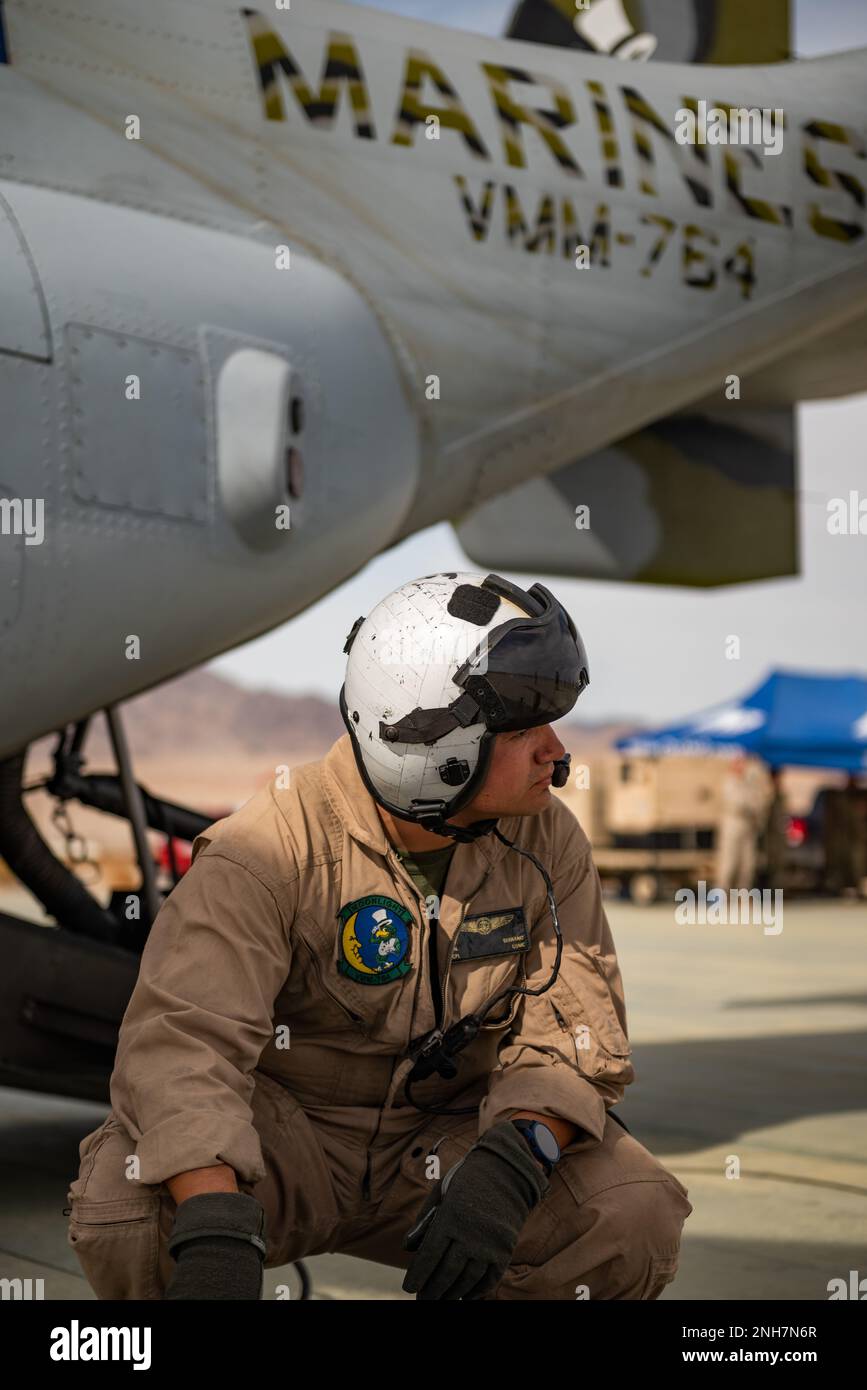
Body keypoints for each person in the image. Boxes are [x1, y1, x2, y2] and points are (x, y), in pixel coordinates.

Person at [66, 571, 692, 1302]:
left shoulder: (546, 841)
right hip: (286, 1148)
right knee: (127, 1209)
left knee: (630, 1214)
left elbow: (569, 1033)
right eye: (523, 732)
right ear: (433, 748)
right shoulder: (265, 849)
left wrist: (513, 1159)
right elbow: (184, 1044)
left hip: (449, 1145)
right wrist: (211, 1219)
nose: (555, 752)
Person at [715, 754, 768, 891]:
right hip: (733, 822)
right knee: (729, 861)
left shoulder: (748, 783)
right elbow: (739, 803)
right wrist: (752, 805)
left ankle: (743, 893)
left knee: (748, 863)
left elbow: (759, 802)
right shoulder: (729, 781)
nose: (741, 766)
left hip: (748, 824)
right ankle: (722, 892)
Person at [761, 766, 790, 891]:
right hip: (769, 835)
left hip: (778, 835)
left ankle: (777, 888)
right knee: (768, 861)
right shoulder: (766, 793)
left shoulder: (781, 795)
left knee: (778, 862)